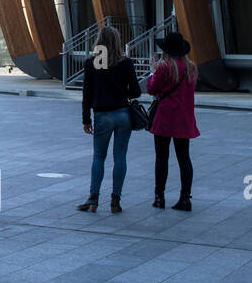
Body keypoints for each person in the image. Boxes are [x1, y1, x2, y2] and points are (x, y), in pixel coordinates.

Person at [77, 24, 140, 213]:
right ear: (117, 42)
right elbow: (136, 92)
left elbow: (87, 94)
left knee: (99, 157)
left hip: (102, 115)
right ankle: (115, 200)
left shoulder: (92, 63)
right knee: (120, 157)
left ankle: (94, 198)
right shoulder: (126, 63)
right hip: (123, 114)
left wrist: (86, 119)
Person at [148, 32, 200, 211]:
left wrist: (153, 72)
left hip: (165, 117)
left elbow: (151, 88)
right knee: (184, 157)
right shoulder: (191, 67)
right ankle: (185, 197)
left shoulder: (164, 67)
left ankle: (159, 197)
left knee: (161, 157)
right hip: (184, 117)